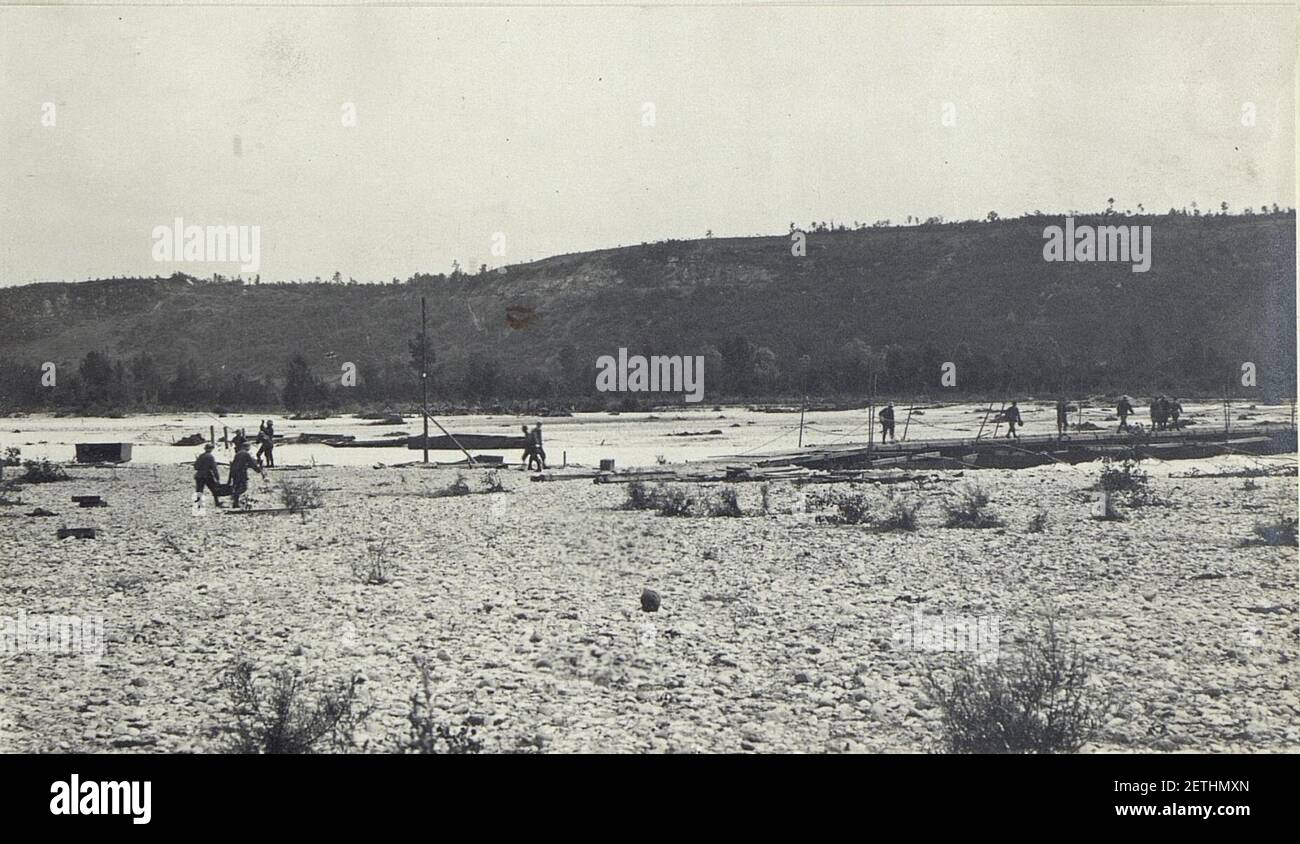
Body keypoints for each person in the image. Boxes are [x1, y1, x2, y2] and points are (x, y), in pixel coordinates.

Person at [228, 441, 263, 508]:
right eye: (249, 447)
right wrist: (258, 470)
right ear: (246, 447)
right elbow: (252, 463)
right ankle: (235, 497)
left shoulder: (238, 453)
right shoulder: (246, 454)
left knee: (237, 487)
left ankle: (235, 503)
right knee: (243, 488)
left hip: (234, 472)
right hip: (241, 473)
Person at [193, 443, 222, 509]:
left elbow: (196, 466)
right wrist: (217, 478)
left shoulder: (201, 456)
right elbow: (214, 468)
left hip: (199, 475)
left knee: (199, 490)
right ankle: (217, 502)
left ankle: (199, 504)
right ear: (211, 449)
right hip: (207, 475)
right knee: (214, 489)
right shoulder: (210, 457)